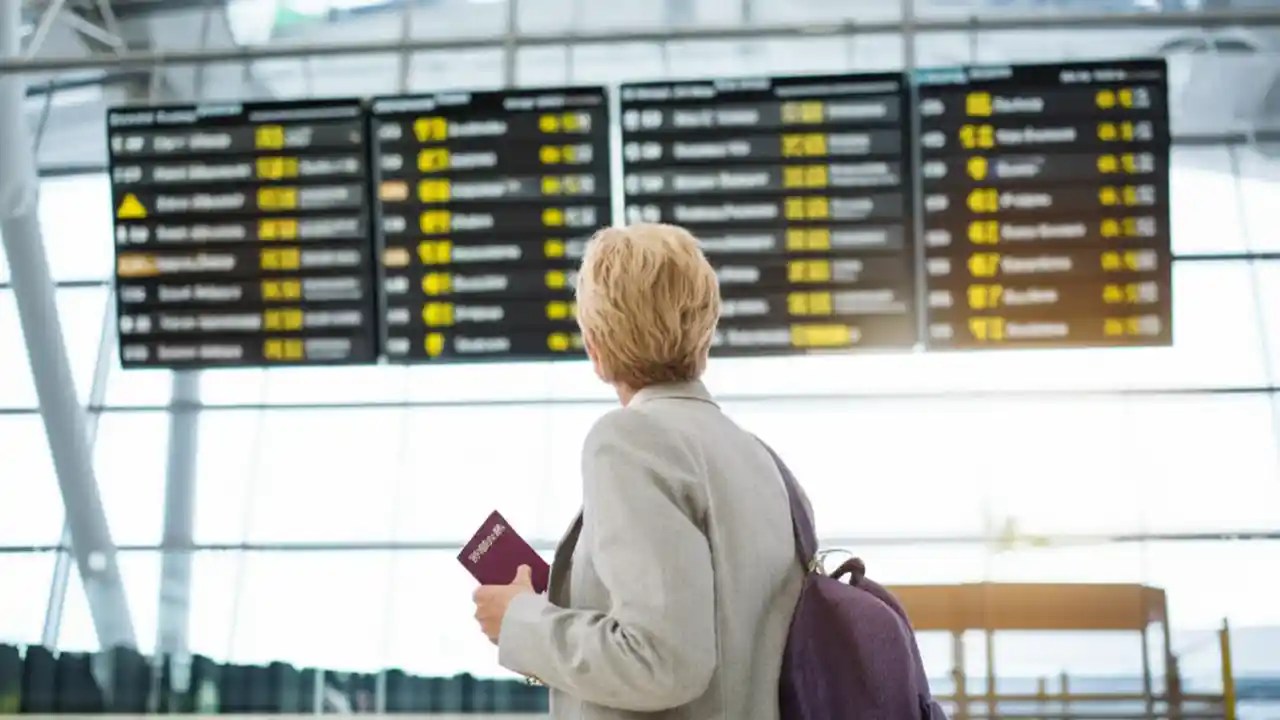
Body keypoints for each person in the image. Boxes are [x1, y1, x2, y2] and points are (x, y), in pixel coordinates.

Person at [472, 223, 808, 719]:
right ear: (706, 326)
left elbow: (664, 662)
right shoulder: (756, 458)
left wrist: (521, 622)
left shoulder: (628, 443)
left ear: (595, 345)